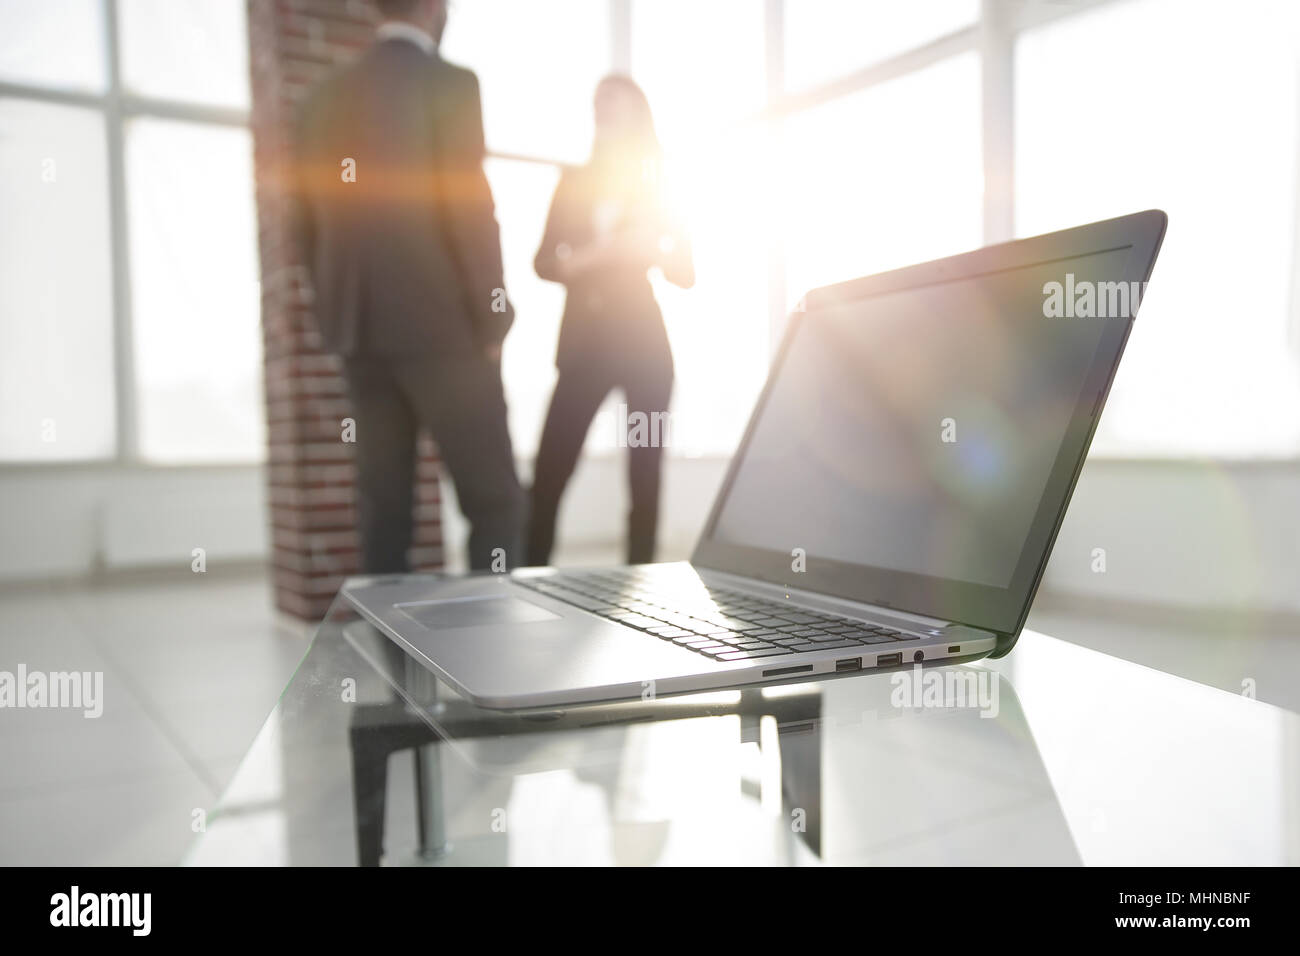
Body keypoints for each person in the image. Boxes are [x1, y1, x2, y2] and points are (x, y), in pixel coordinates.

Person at [293, 0, 524, 573]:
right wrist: (494, 316)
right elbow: (468, 208)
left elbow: (302, 225)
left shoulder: (324, 98)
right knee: (495, 503)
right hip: (444, 327)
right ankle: (487, 655)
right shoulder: (450, 83)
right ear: (433, 8)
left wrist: (337, 312)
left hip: (360, 335)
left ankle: (385, 657)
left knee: (384, 511)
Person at [527, 76, 694, 567]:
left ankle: (641, 587)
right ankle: (525, 576)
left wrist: (655, 249)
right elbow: (541, 262)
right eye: (597, 105)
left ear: (636, 115)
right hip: (583, 347)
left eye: (614, 106)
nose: (603, 113)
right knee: (549, 473)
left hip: (644, 346)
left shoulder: (659, 180)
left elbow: (686, 273)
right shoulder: (573, 181)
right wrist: (595, 256)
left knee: (644, 475)